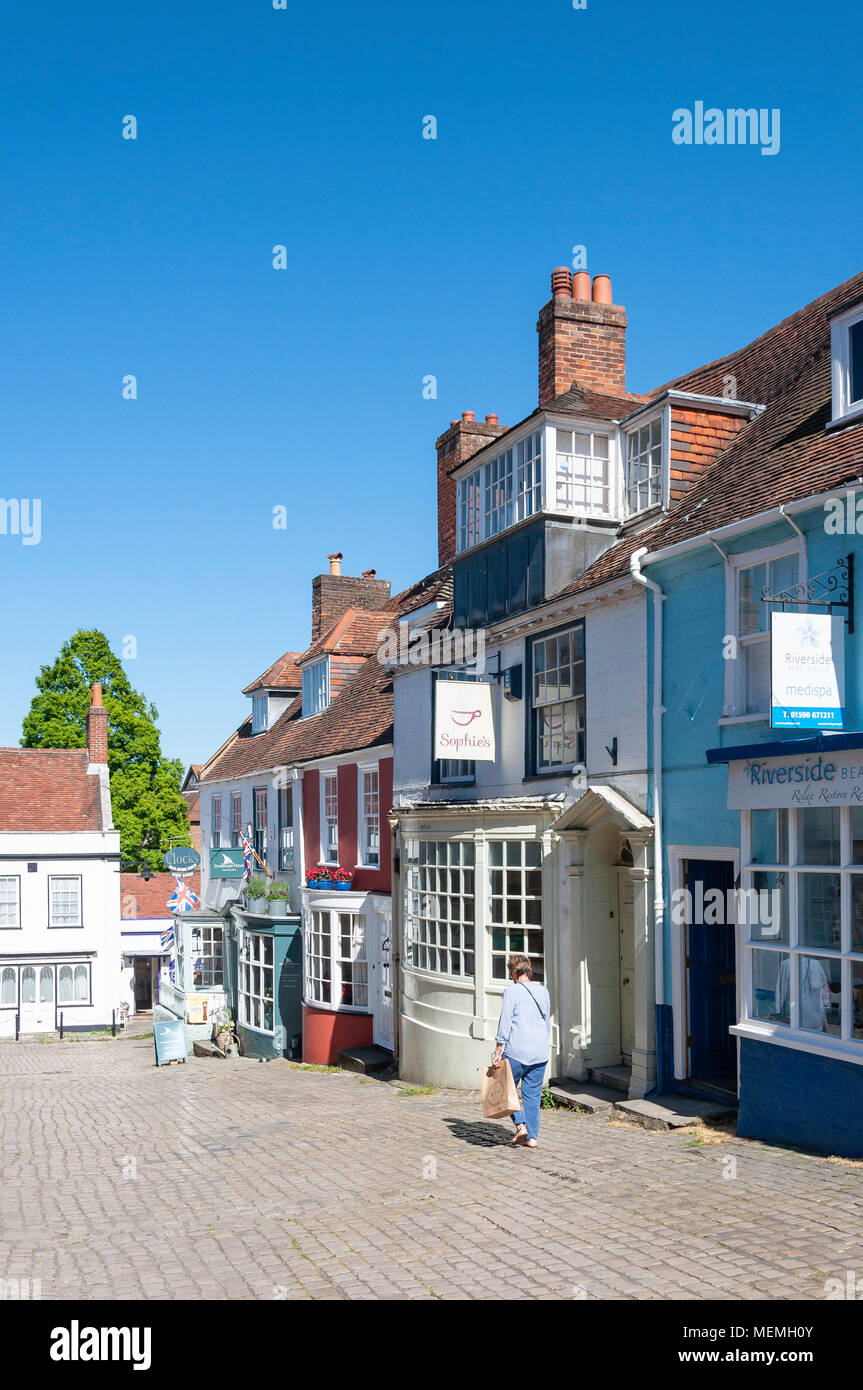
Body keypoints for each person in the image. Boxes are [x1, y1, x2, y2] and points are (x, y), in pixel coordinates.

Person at [491, 953, 551, 1149]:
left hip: (518, 1050)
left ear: (514, 973)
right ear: (529, 971)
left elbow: (505, 1022)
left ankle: (521, 1126)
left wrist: (498, 1050)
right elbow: (546, 1021)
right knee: (532, 1095)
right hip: (540, 1051)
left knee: (502, 1088)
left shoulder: (512, 991)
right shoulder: (543, 991)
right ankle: (533, 1138)